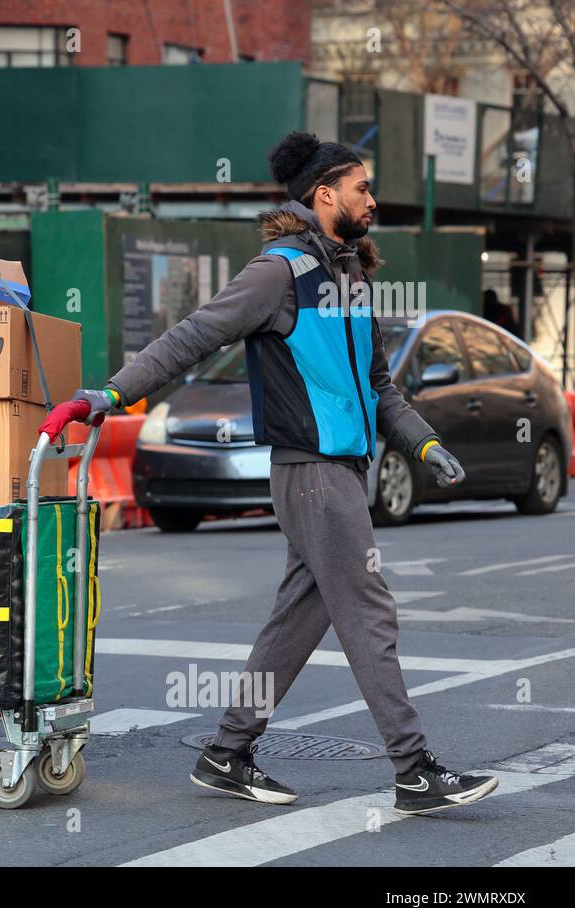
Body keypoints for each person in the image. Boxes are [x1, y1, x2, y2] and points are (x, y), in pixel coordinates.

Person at [51, 131, 499, 816]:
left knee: (300, 617)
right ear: (325, 195)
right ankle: (413, 769)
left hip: (343, 470)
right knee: (369, 609)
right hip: (311, 472)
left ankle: (228, 752)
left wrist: (423, 443)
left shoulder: (350, 275)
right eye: (362, 189)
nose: (373, 201)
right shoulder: (279, 273)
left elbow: (379, 385)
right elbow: (193, 334)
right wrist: (110, 394)